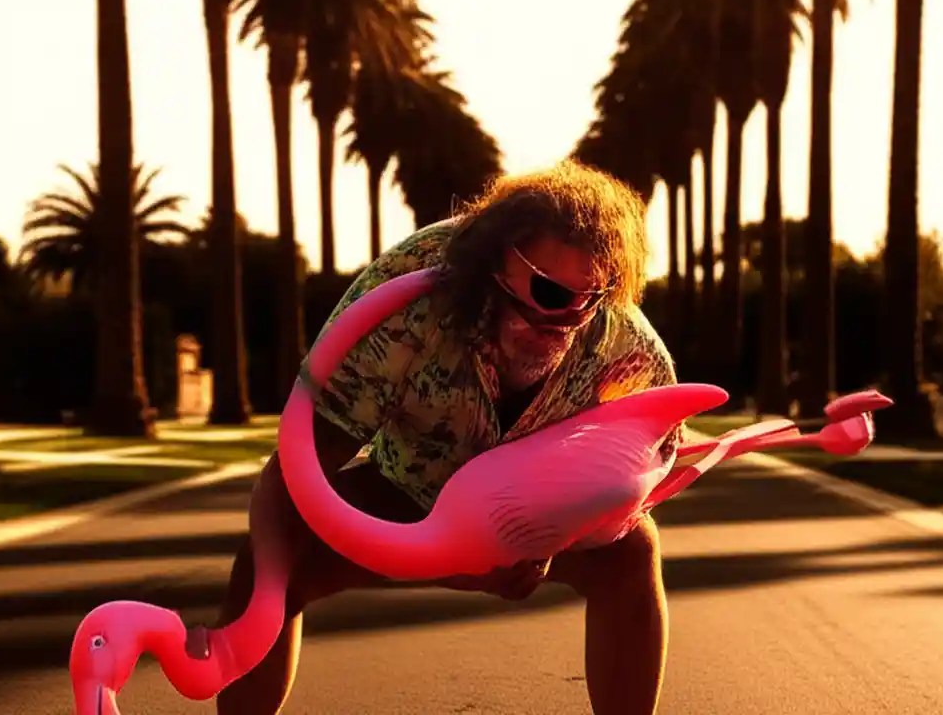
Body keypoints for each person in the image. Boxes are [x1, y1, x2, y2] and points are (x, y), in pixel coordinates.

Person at [215, 160, 685, 715]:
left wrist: (555, 536)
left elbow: (637, 486)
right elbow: (295, 466)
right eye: (548, 292)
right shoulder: (404, 298)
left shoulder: (629, 351)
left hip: (534, 522)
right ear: (494, 264)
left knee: (633, 551)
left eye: (593, 297)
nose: (567, 319)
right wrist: (266, 596)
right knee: (272, 549)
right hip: (407, 492)